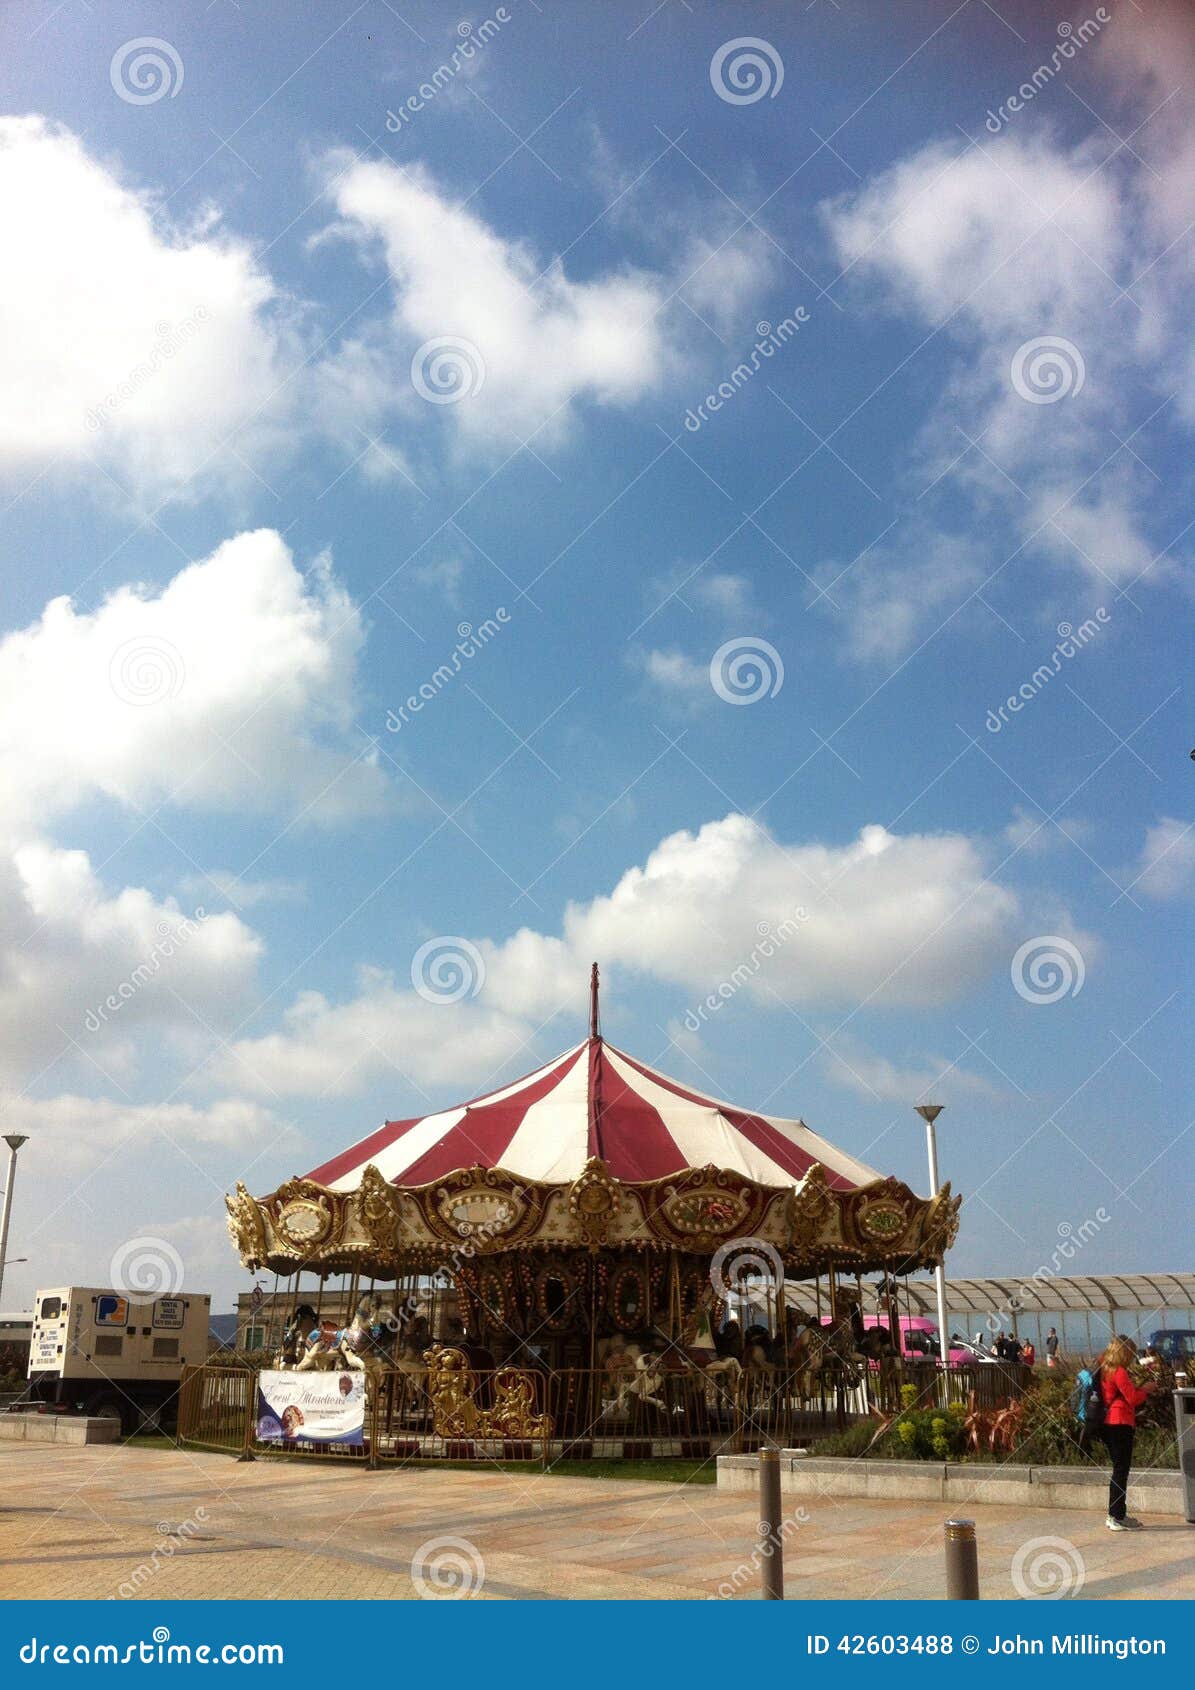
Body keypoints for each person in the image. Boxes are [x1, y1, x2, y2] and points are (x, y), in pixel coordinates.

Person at [1097, 1335, 1154, 1531]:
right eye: (1130, 1353)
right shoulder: (1119, 1372)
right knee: (1121, 1471)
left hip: (1107, 1423)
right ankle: (1116, 1516)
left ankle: (1116, 1514)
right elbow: (1132, 1399)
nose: (1132, 1357)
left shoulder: (1104, 1368)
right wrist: (1146, 1390)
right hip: (1120, 1422)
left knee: (1118, 1470)